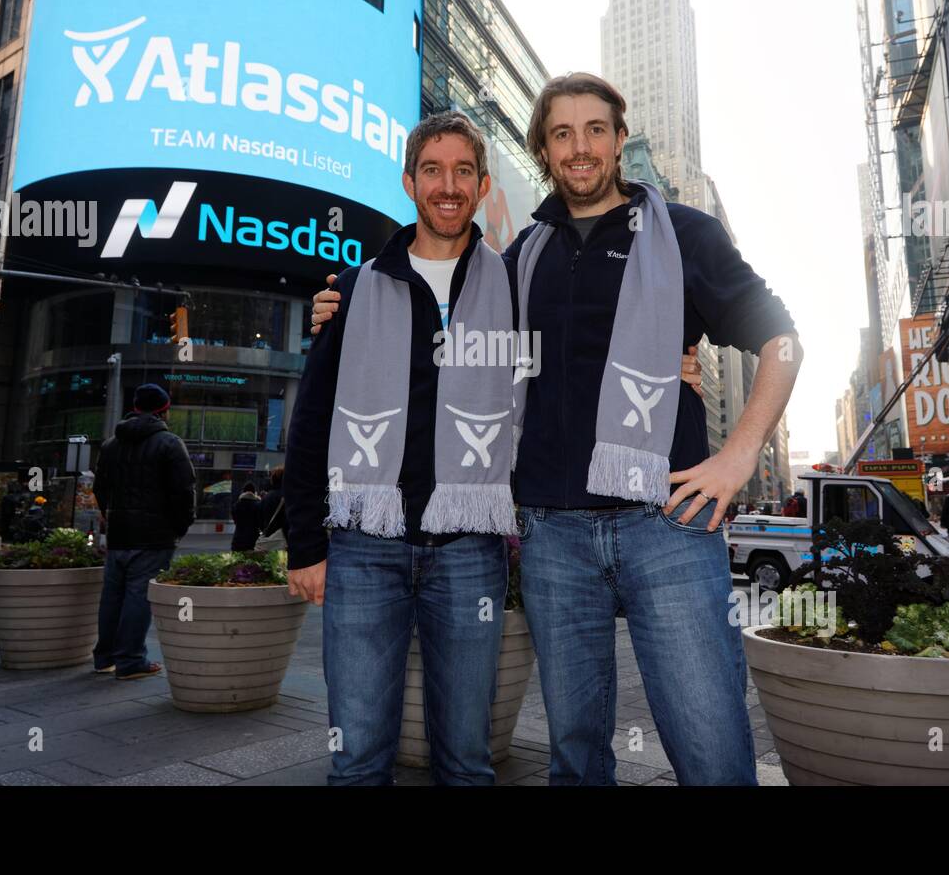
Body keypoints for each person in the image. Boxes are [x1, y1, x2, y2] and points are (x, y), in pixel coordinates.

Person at [312, 73, 800, 786]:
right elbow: (448, 351)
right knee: (573, 753)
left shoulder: (683, 234)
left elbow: (782, 340)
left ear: (619, 140)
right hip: (552, 537)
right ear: (543, 147)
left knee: (711, 744)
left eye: (595, 130)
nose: (580, 148)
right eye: (562, 133)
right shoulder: (516, 262)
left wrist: (739, 453)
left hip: (667, 525)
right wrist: (345, 310)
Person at [285, 111, 518, 786]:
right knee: (356, 757)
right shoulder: (355, 288)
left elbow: (569, 367)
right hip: (363, 548)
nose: (448, 185)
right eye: (433, 170)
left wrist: (680, 362)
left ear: (481, 186)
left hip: (471, 552)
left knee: (468, 762)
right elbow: (312, 420)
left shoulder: (515, 285)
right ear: (410, 182)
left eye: (463, 172)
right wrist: (306, 544)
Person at [91, 383, 196, 679]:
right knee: (139, 595)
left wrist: (109, 515)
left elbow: (100, 487)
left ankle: (105, 657)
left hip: (119, 532)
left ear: (135, 407)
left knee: (112, 594)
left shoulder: (112, 444)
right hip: (154, 534)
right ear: (164, 410)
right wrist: (179, 526)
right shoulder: (170, 443)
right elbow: (184, 491)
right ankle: (130, 660)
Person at [231, 481, 262, 553]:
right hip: (253, 539)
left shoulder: (236, 505)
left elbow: (235, 521)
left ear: (243, 492)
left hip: (238, 539)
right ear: (254, 492)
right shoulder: (258, 505)